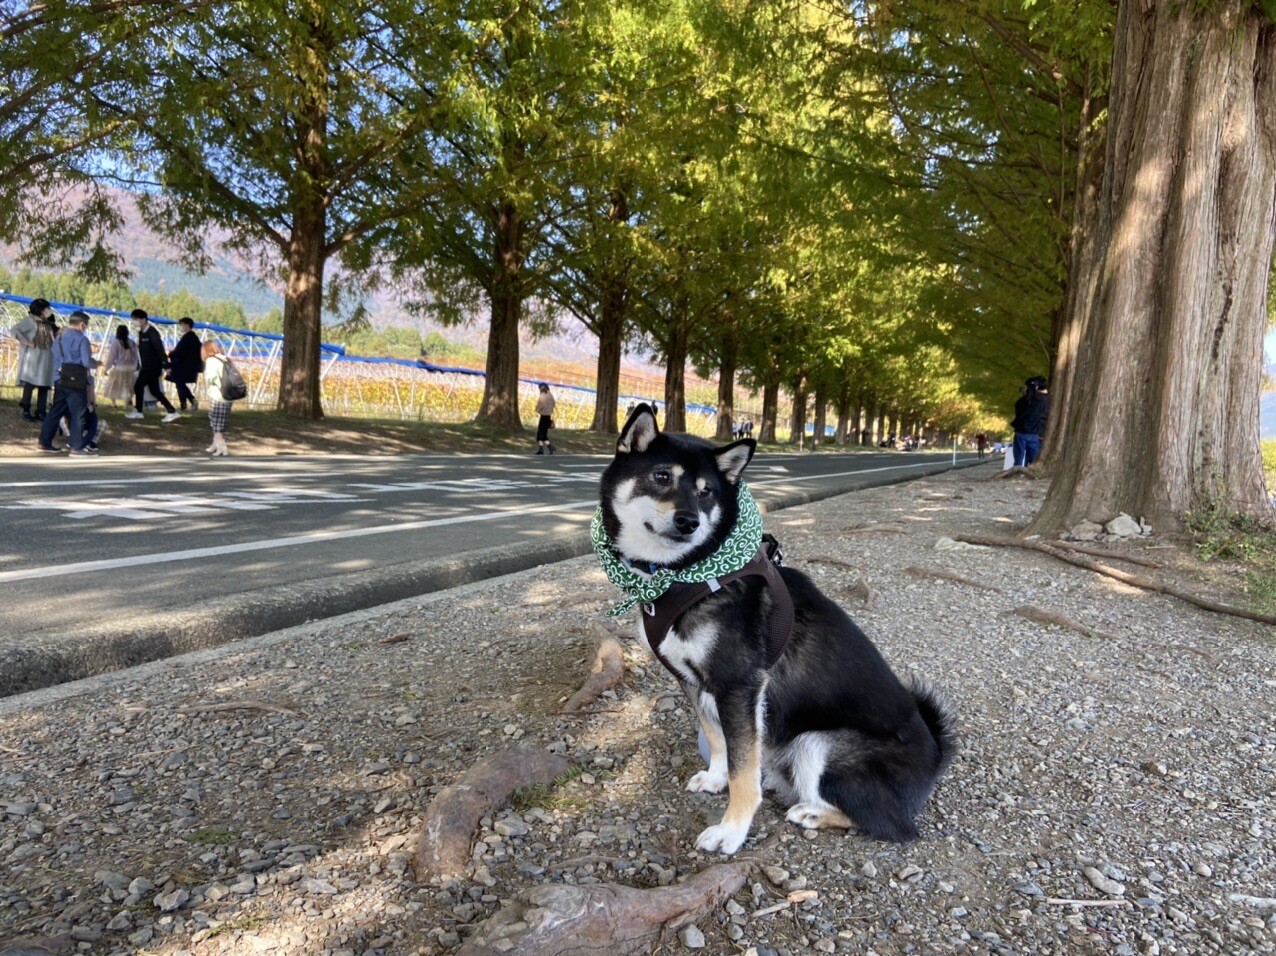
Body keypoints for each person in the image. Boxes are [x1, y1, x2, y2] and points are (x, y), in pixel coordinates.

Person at [38, 311, 95, 456]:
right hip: (76, 382)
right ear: (82, 324)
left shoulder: (60, 337)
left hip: (59, 378)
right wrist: (97, 363)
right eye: (86, 325)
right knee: (78, 414)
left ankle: (44, 442)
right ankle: (76, 447)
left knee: (56, 410)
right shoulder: (83, 340)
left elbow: (54, 353)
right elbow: (87, 361)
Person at [126, 308, 180, 422]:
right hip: (145, 366)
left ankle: (139, 411)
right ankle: (172, 411)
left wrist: (166, 366)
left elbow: (160, 349)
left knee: (138, 386)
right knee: (155, 391)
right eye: (133, 319)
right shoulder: (141, 333)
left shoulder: (152, 332)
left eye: (135, 319)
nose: (134, 321)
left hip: (153, 367)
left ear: (143, 319)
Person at [12, 298, 55, 422]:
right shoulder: (29, 320)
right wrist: (26, 341)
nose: (49, 310)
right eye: (47, 308)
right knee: (30, 383)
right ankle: (26, 409)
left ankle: (41, 411)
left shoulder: (47, 322)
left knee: (44, 384)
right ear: (40, 310)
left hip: (47, 358)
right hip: (34, 357)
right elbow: (15, 329)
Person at [201, 340, 233, 456]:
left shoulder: (211, 361)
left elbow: (212, 378)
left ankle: (222, 448)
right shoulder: (225, 359)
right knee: (219, 422)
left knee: (217, 425)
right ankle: (215, 444)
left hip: (218, 395)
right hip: (229, 395)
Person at [1011, 375, 1051, 467]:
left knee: (1018, 457)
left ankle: (1017, 469)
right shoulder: (1043, 400)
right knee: (1033, 458)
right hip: (1036, 434)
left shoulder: (1020, 402)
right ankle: (1030, 470)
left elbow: (1018, 414)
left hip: (1021, 432)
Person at [167, 317, 203, 410]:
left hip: (183, 365)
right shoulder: (194, 338)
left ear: (187, 325)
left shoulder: (187, 338)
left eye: (181, 325)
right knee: (179, 383)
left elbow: (180, 352)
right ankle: (185, 403)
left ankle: (189, 401)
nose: (180, 327)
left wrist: (171, 354)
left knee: (179, 383)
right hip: (189, 366)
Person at [100, 324, 140, 406]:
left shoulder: (116, 342)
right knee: (128, 387)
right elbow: (136, 356)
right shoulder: (132, 343)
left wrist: (106, 369)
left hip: (120, 368)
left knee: (113, 385)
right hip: (131, 368)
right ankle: (127, 403)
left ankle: (114, 404)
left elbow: (112, 357)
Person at [534, 383, 556, 455]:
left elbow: (540, 404)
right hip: (548, 415)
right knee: (541, 433)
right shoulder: (550, 395)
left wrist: (537, 410)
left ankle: (550, 447)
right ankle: (541, 449)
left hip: (543, 415)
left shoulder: (543, 395)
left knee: (541, 433)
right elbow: (553, 403)